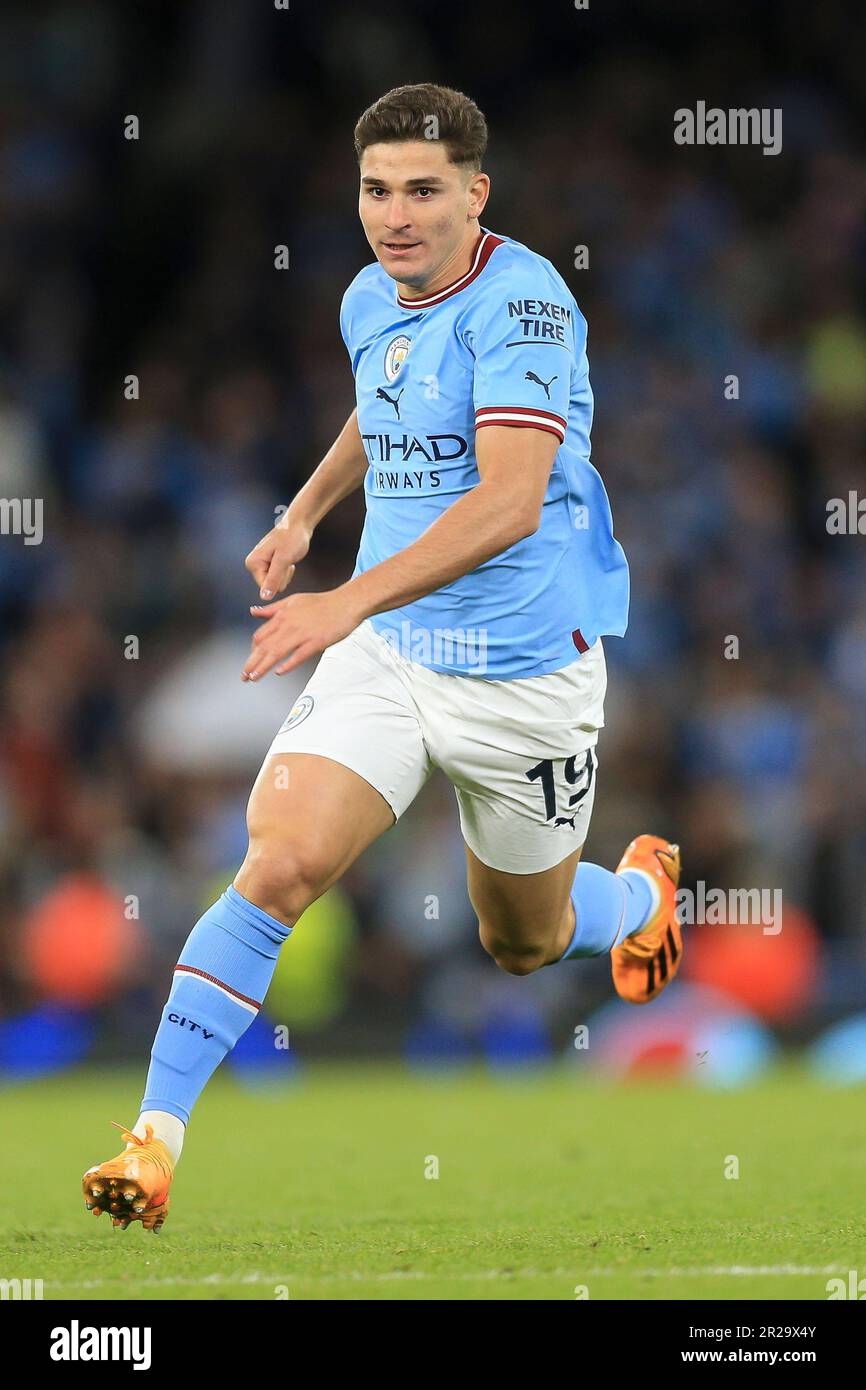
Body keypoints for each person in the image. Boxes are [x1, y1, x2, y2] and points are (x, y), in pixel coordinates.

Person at [82, 83, 681, 1233]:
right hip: (392, 653)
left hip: (521, 676)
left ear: (474, 193)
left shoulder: (527, 307)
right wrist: (306, 512)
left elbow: (507, 502)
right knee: (280, 861)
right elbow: (382, 401)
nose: (394, 215)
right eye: (374, 189)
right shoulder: (370, 296)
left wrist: (339, 596)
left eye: (421, 190)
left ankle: (638, 896)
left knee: (524, 940)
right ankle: (153, 1142)